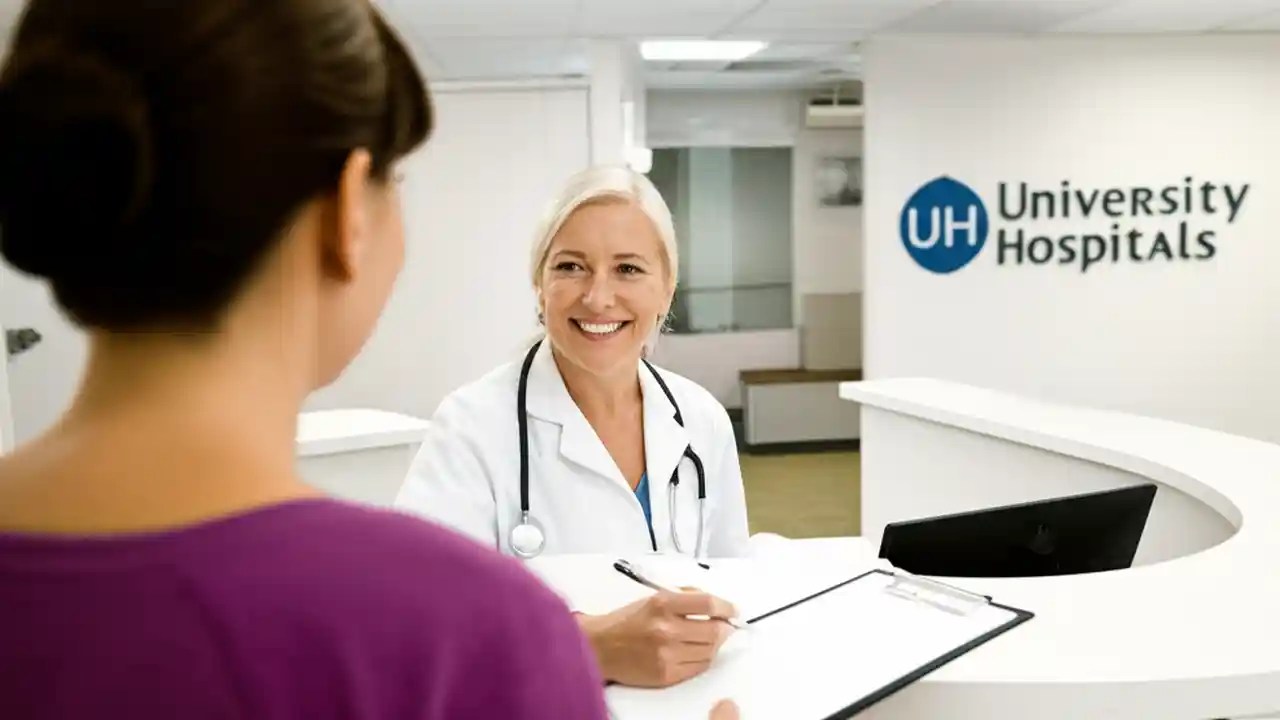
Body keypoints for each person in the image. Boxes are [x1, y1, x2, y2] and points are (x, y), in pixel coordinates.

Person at [0, 3, 739, 719]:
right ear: (349, 211)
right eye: (399, 184)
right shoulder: (465, 632)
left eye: (631, 270)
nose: (598, 294)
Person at [394, 165, 752, 689]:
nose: (598, 298)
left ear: (666, 289)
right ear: (539, 284)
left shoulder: (703, 422)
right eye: (571, 267)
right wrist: (589, 645)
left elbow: (736, 587)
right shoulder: (471, 426)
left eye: (628, 269)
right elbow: (416, 617)